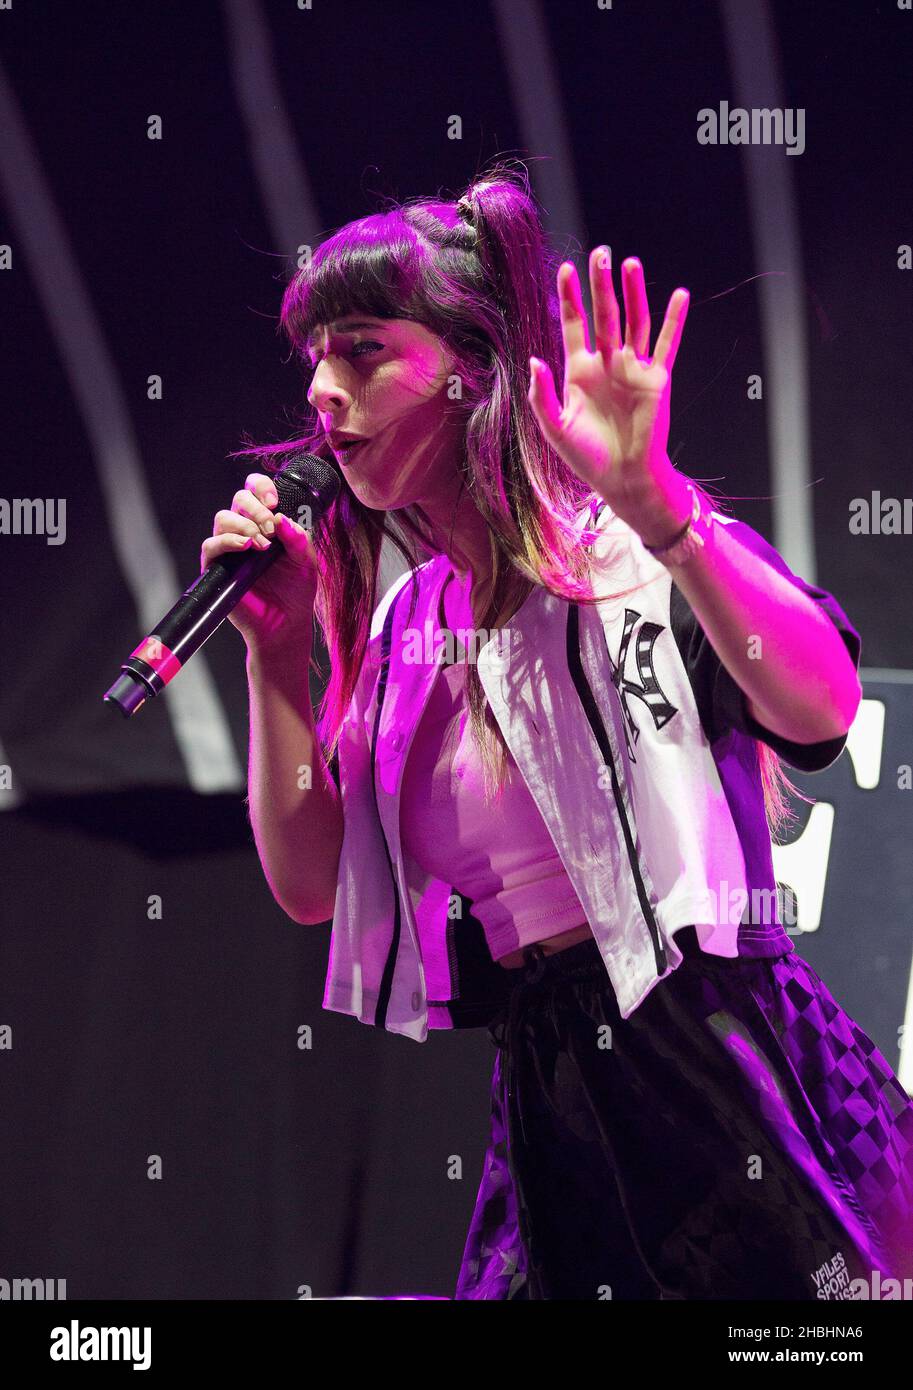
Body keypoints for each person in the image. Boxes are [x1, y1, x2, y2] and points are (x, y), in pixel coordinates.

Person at [201, 161, 913, 1300]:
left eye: (364, 349)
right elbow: (311, 885)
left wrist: (661, 501)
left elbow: (821, 704)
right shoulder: (403, 625)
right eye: (314, 362)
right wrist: (278, 657)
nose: (324, 393)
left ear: (471, 365)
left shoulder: (623, 552)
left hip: (712, 1050)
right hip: (551, 1083)